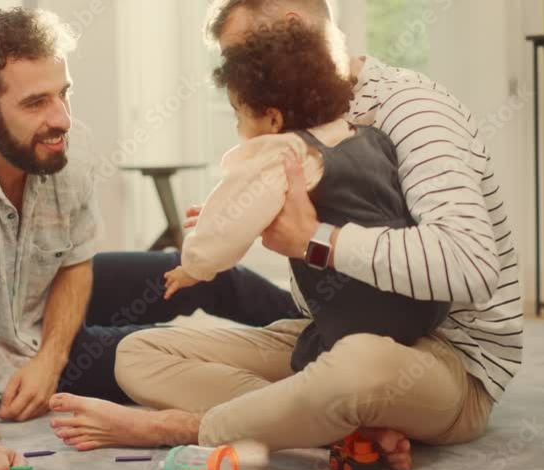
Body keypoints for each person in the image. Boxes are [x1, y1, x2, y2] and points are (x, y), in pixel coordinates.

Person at [48, 0, 523, 470]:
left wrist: (316, 240)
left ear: (291, 30)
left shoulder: (412, 109)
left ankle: (183, 428)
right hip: (333, 331)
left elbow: (472, 265)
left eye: (244, 58)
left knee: (356, 368)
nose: (242, 79)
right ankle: (323, 422)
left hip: (444, 355)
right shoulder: (307, 125)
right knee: (137, 354)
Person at [0, 8, 298, 470]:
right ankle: (313, 395)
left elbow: (74, 261)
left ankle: (327, 334)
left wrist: (51, 357)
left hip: (51, 302)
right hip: (9, 362)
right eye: (35, 103)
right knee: (166, 356)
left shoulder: (67, 147)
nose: (61, 119)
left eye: (63, 94)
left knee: (205, 273)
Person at [162, 20, 450, 372]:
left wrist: (195, 266)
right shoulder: (367, 136)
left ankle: (333, 394)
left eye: (239, 114)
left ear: (273, 119)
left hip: (362, 309)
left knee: (309, 359)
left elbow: (228, 228)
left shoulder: (286, 153)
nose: (237, 126)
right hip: (425, 303)